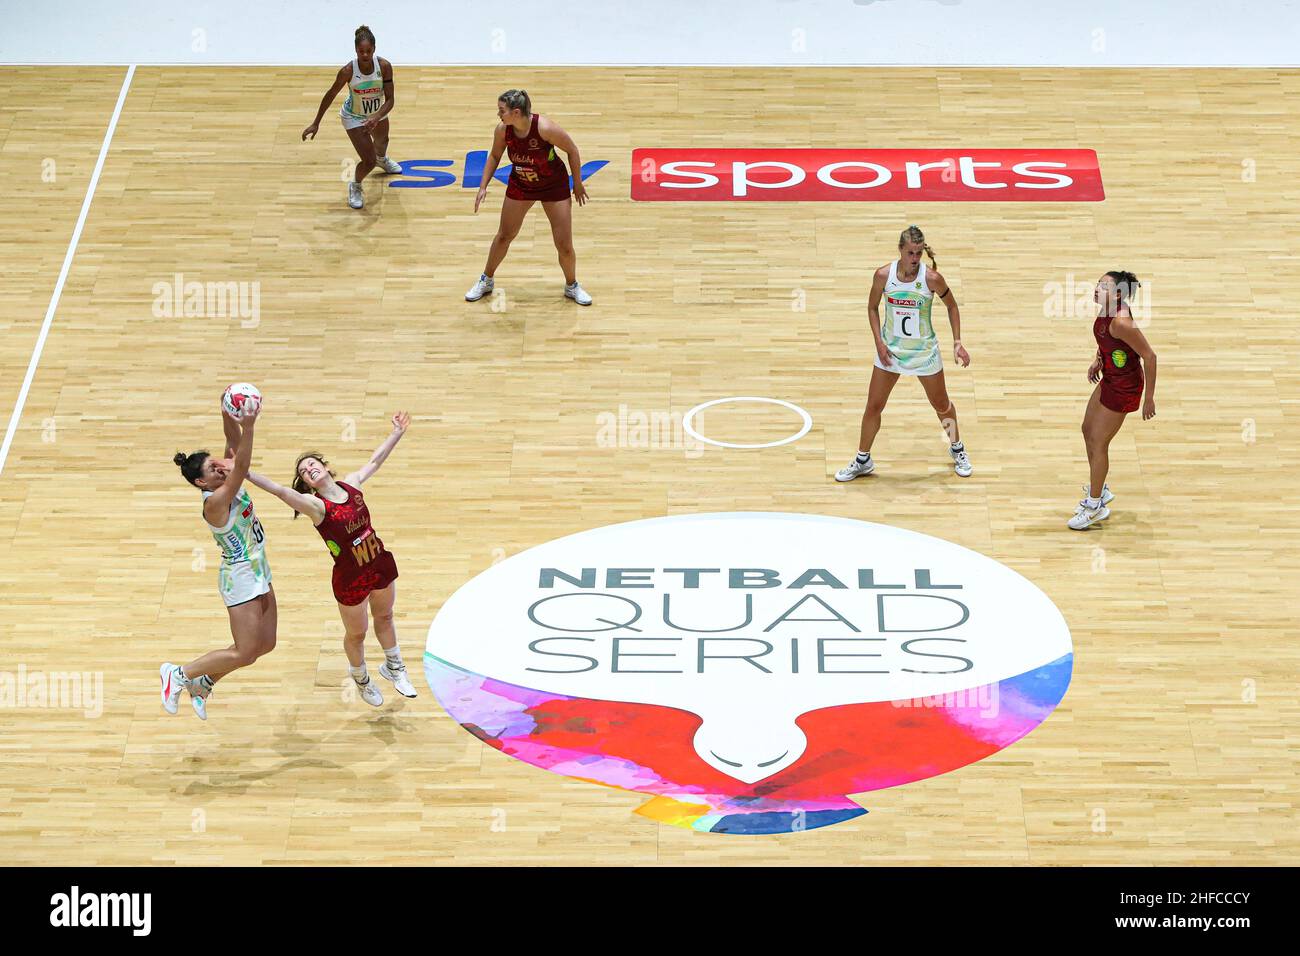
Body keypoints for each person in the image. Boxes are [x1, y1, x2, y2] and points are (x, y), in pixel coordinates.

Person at [244, 413, 416, 705]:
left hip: (379, 562)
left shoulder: (352, 484)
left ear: (325, 466)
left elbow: (375, 461)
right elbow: (280, 491)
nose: (309, 468)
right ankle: (361, 679)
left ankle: (394, 667)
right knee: (357, 634)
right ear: (307, 484)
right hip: (351, 578)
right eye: (304, 470)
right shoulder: (315, 506)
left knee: (385, 617)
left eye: (312, 463)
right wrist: (245, 474)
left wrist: (396, 433)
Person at [164, 400, 275, 720]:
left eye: (218, 463)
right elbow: (241, 466)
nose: (221, 467)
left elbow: (232, 445)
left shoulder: (221, 479)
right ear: (202, 482)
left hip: (259, 567)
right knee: (243, 650)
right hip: (238, 575)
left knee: (264, 645)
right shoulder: (214, 501)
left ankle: (204, 682)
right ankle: (178, 673)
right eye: (214, 469)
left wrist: (227, 412)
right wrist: (250, 425)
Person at [836, 225, 972, 482]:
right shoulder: (883, 276)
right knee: (873, 406)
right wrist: (879, 343)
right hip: (891, 353)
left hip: (924, 355)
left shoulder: (932, 279)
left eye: (919, 253)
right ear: (900, 250)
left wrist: (957, 342)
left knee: (942, 405)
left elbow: (952, 306)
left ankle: (957, 448)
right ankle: (863, 459)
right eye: (910, 253)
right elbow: (872, 308)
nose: (915, 259)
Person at [464, 89, 592, 306]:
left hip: (553, 185)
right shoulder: (503, 130)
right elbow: (495, 155)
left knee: (564, 245)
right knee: (505, 235)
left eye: (501, 111)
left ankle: (572, 285)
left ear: (516, 112)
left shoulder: (544, 128)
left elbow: (572, 150)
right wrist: (483, 186)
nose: (498, 114)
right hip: (522, 184)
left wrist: (577, 183)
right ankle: (486, 279)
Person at [1068, 271, 1157, 530]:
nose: (1096, 288)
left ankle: (1095, 505)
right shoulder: (1105, 310)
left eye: (1104, 286)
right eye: (1098, 283)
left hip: (1124, 387)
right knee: (1087, 430)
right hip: (1110, 376)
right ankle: (1101, 488)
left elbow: (1150, 357)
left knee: (1099, 441)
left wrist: (1149, 398)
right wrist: (1098, 360)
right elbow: (1111, 345)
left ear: (1118, 294)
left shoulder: (1120, 321)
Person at [301, 25, 402, 210]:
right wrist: (316, 123)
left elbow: (391, 100)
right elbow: (330, 94)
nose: (365, 55)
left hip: (376, 113)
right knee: (368, 161)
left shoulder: (385, 67)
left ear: (374, 49)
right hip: (354, 117)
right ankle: (354, 185)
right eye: (361, 51)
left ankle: (382, 159)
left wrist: (376, 116)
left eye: (368, 51)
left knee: (382, 141)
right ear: (356, 50)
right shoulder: (348, 71)